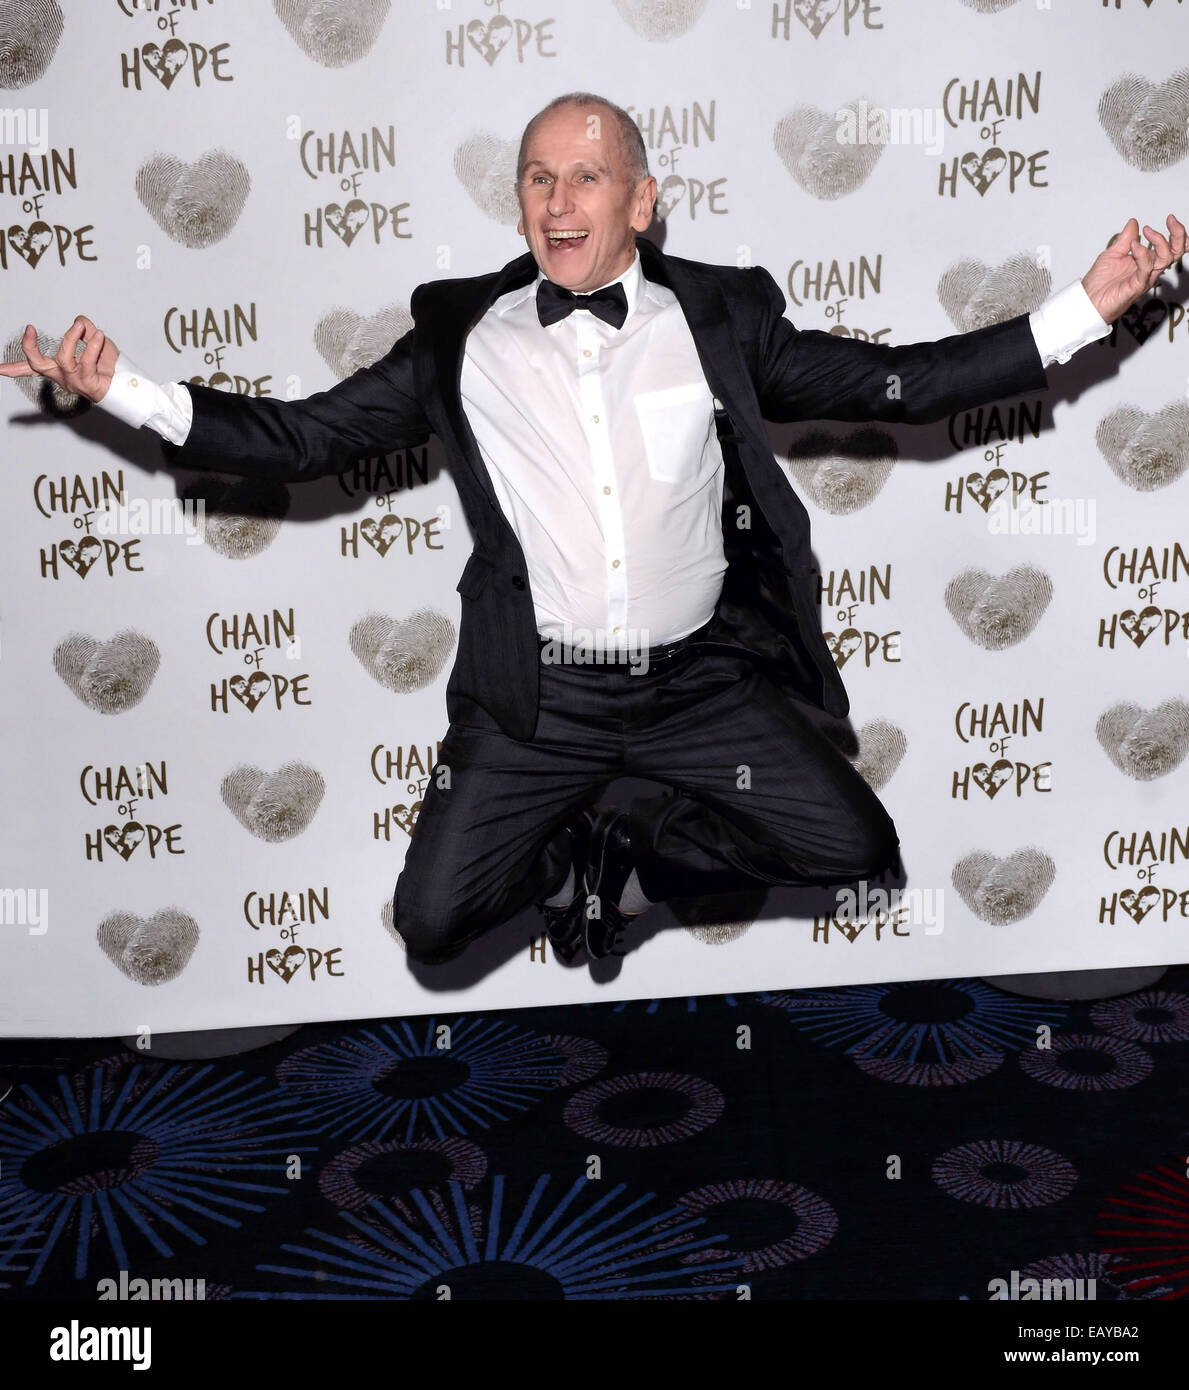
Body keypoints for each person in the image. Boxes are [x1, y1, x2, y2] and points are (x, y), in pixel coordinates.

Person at [4, 92, 1184, 968]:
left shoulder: (719, 321)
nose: (556, 201)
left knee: (853, 848)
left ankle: (637, 848)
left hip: (696, 689)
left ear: (638, 199)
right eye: (534, 178)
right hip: (542, 701)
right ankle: (576, 836)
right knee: (431, 921)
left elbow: (899, 385)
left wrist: (1082, 308)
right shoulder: (461, 341)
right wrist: (124, 392)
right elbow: (301, 439)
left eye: (583, 175)